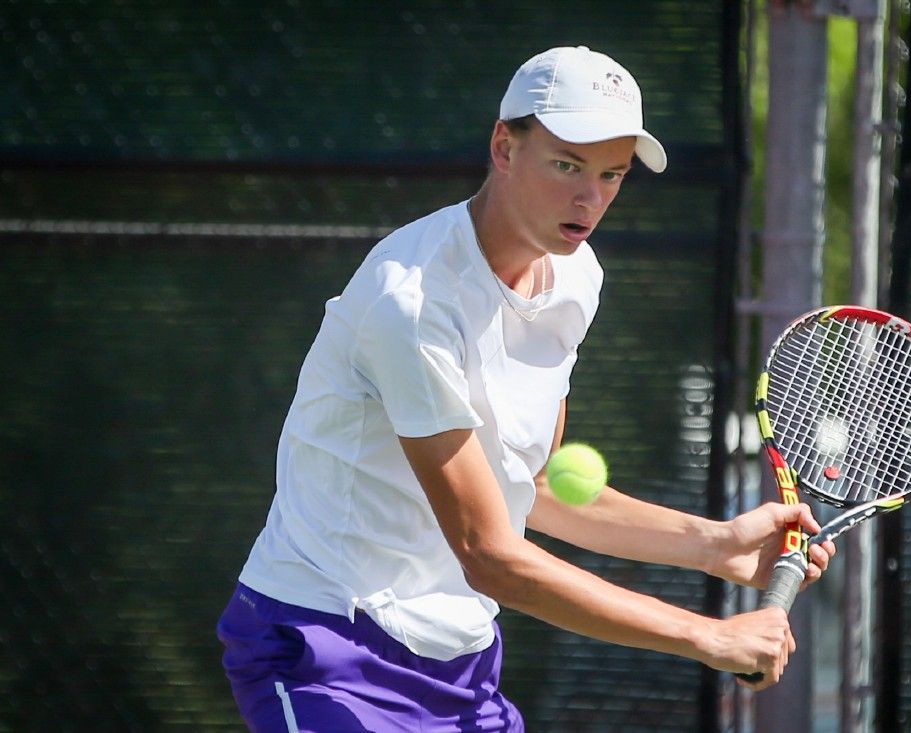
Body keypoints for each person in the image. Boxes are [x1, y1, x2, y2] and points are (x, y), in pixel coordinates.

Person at [216, 45, 835, 732]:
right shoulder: (414, 302)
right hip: (327, 650)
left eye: (611, 174)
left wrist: (713, 544)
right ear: (503, 147)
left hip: (463, 665)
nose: (589, 197)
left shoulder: (576, 280)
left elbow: (529, 490)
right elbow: (490, 556)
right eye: (567, 165)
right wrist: (706, 635)